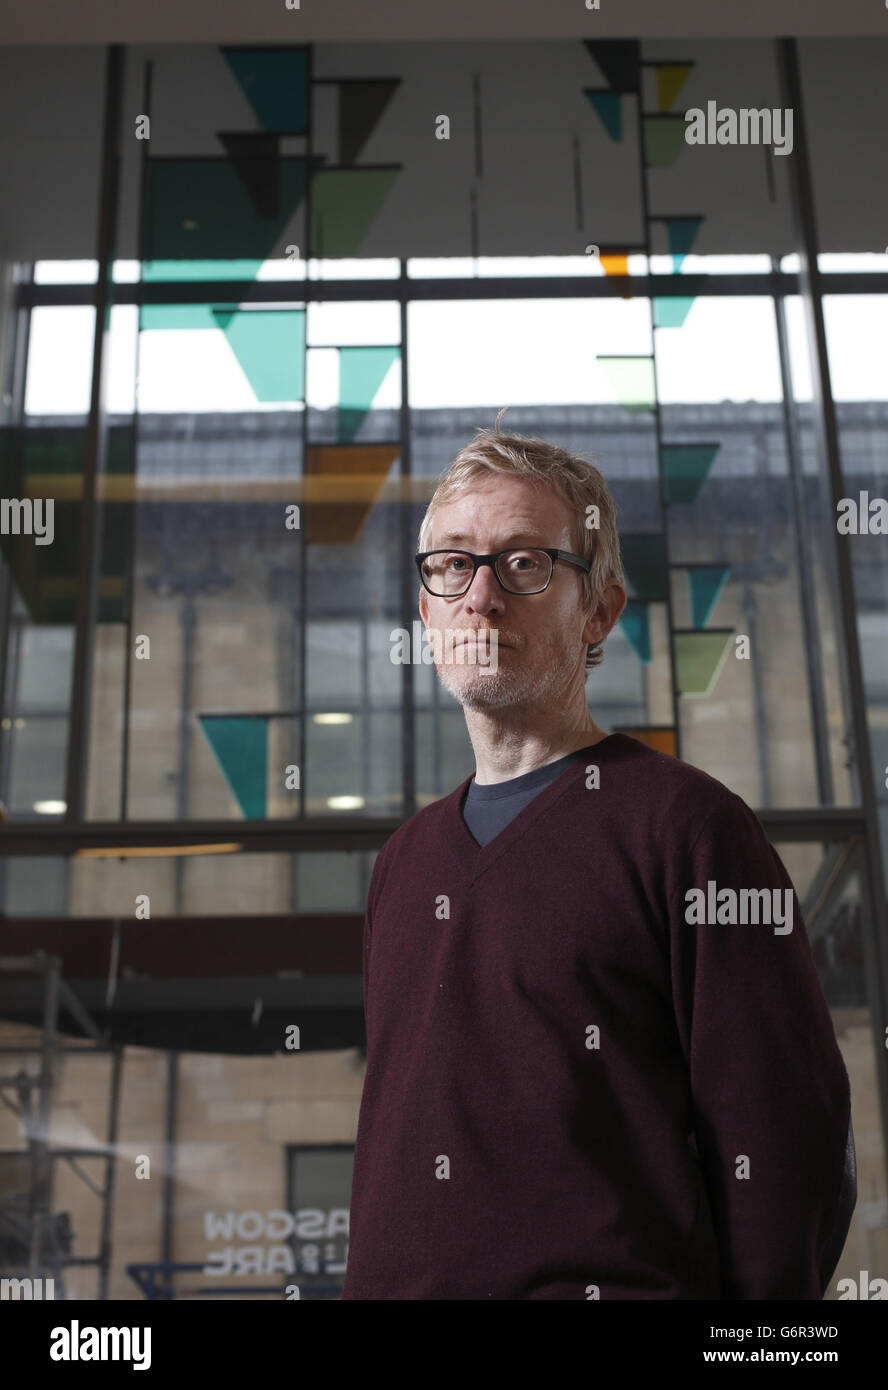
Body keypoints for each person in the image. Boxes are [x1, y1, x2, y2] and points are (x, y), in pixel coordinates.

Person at [340, 410, 855, 1300]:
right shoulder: (404, 863)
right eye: (453, 564)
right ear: (425, 609)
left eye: (526, 563)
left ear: (599, 610)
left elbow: (781, 1143)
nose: (481, 595)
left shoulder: (691, 831)